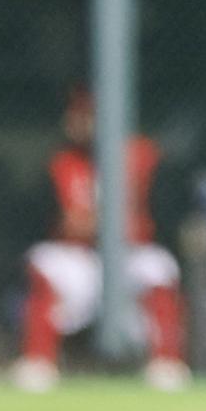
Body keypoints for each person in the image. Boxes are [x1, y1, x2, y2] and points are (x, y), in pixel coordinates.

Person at [12, 87, 189, 392]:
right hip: (77, 256)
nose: (76, 122)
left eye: (85, 115)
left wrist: (104, 223)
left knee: (159, 268)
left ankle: (167, 362)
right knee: (45, 264)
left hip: (131, 254)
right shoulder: (61, 162)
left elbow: (160, 219)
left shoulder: (145, 156)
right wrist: (102, 223)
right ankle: (38, 361)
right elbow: (61, 222)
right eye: (74, 115)